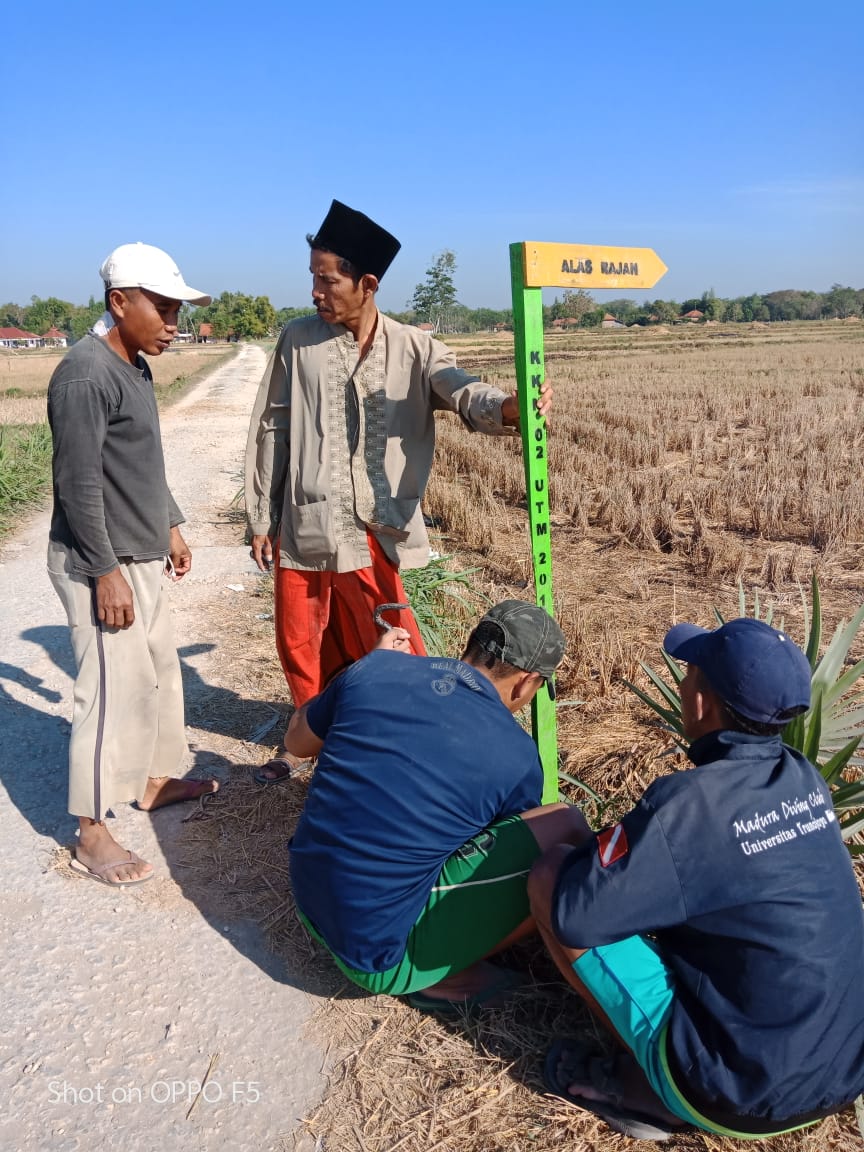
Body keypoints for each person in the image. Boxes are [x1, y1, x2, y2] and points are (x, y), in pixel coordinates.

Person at [245, 199, 552, 781]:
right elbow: (272, 427)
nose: (315, 291)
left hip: (377, 532)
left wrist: (509, 408)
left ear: (367, 283)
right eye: (312, 277)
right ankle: (304, 742)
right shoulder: (297, 341)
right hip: (306, 523)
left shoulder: (415, 347)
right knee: (302, 642)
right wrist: (261, 516)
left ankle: (390, 746)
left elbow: (462, 390)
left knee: (392, 644)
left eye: (326, 279)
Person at [528, 617, 864, 1141]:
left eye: (689, 676)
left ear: (702, 704)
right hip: (841, 1075)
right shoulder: (805, 779)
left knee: (553, 879)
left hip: (737, 1095)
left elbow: (577, 911)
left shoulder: (685, 806)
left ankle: (650, 1090)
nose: (683, 686)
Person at [285, 600, 592, 1009]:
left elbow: (295, 742)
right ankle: (439, 974)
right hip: (374, 955)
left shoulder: (373, 668)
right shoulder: (516, 756)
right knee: (563, 826)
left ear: (471, 645)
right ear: (526, 683)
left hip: (307, 896)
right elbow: (498, 850)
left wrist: (368, 667)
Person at [47, 242, 219, 888]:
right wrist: (103, 571)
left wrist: (170, 523)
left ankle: (151, 780)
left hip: (139, 550)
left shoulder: (133, 365)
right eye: (165, 308)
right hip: (103, 559)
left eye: (179, 310)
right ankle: (91, 831)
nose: (175, 323)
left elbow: (143, 461)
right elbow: (78, 483)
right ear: (120, 302)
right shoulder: (85, 374)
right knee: (109, 692)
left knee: (155, 674)